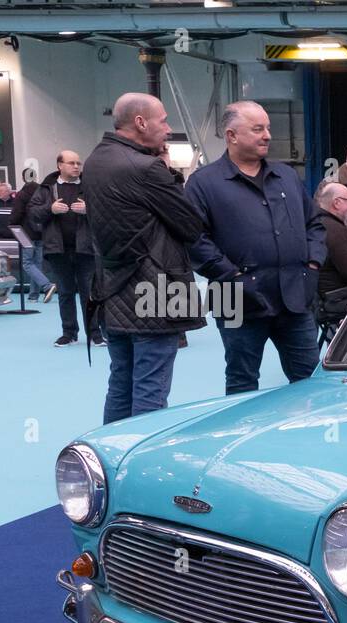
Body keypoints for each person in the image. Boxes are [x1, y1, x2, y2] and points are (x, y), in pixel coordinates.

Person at [186, 100, 326, 395]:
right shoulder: (202, 183)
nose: (267, 135)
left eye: (268, 128)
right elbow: (194, 240)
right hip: (234, 298)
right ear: (231, 135)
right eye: (258, 129)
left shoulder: (286, 176)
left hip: (294, 296)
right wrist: (233, 277)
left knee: (310, 380)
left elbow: (315, 224)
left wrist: (313, 265)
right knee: (241, 381)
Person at [82, 92, 207, 423]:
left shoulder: (95, 160)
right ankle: (139, 465)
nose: (168, 129)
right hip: (155, 293)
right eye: (163, 120)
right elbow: (191, 224)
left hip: (112, 289)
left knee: (121, 385)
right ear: (140, 122)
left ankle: (110, 460)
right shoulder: (147, 168)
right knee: (151, 390)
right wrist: (168, 174)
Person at [28, 151, 101, 347]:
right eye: (71, 163)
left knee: (90, 294)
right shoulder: (45, 189)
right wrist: (49, 209)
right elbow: (32, 213)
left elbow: (107, 210)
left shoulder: (90, 186)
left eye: (79, 163)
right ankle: (69, 333)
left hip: (86, 249)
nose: (77, 166)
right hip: (57, 250)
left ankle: (95, 334)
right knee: (66, 293)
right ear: (60, 165)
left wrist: (89, 210)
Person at [314, 181, 347, 346]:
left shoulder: (318, 224)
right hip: (338, 300)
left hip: (325, 299)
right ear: (336, 203)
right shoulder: (334, 230)